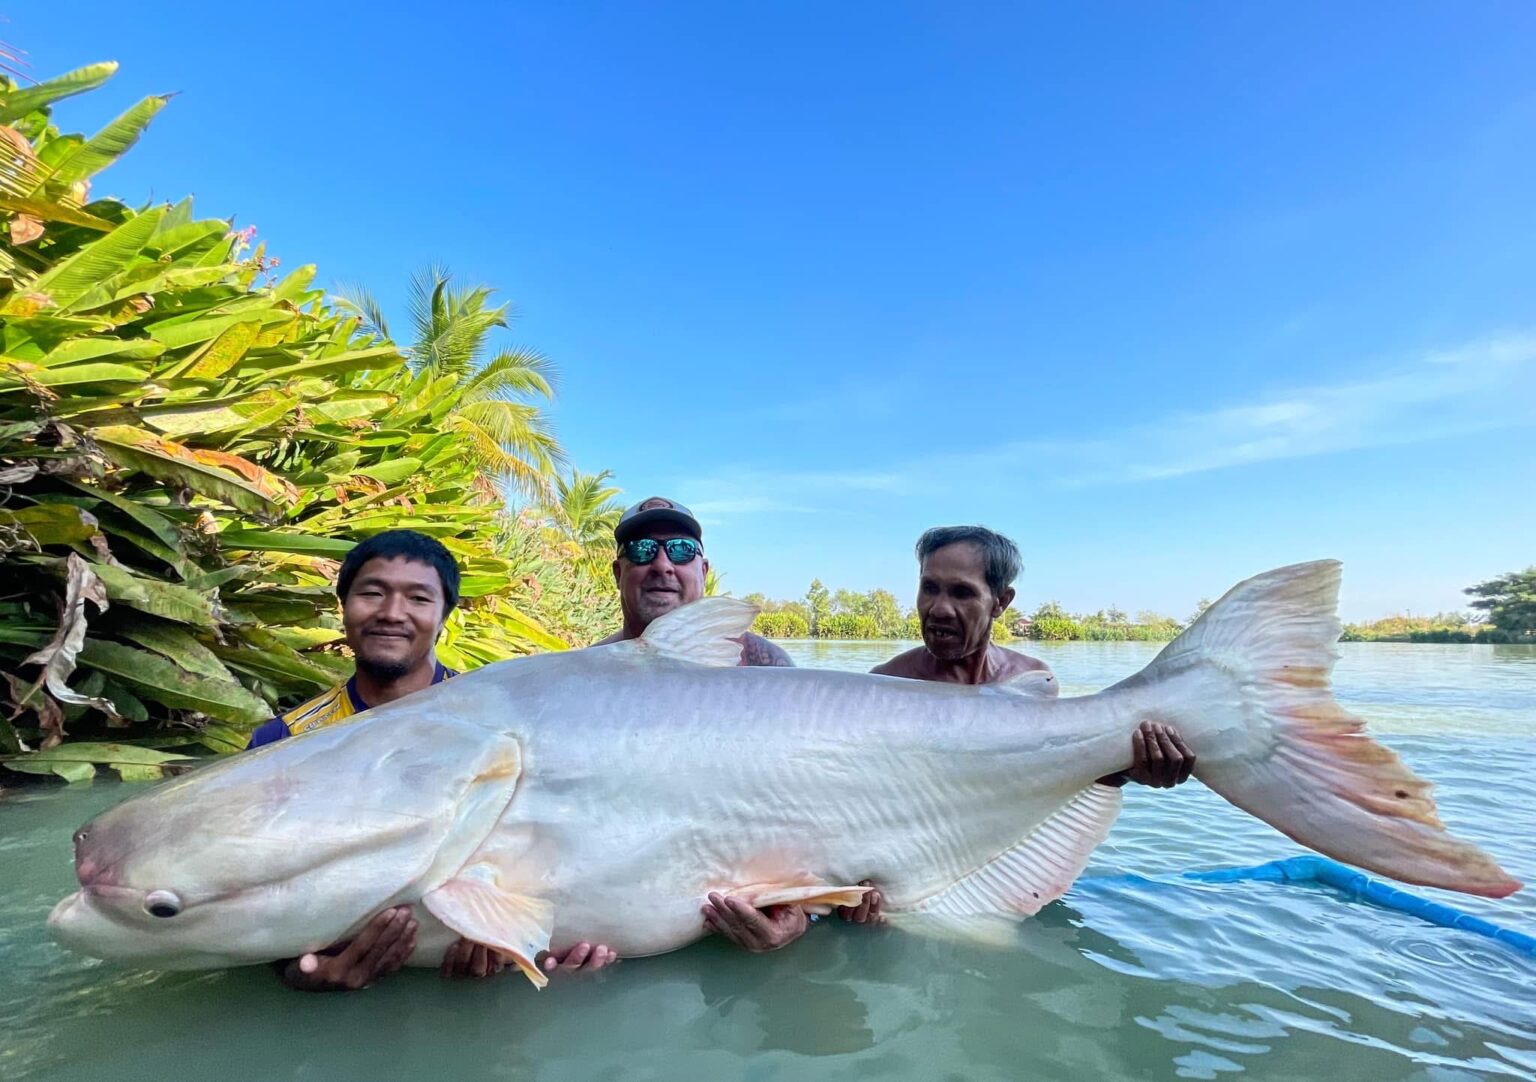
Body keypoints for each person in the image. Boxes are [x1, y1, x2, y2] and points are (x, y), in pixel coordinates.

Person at [247, 529, 614, 990]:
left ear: (444, 617)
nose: (391, 613)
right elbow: (251, 887)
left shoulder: (508, 720)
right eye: (372, 593)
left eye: (418, 598)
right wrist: (300, 972)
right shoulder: (286, 740)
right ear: (344, 605)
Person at [594, 498, 883, 946]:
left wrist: (805, 914)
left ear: (704, 569)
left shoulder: (763, 664)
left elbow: (813, 796)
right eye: (644, 551)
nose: (664, 565)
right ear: (618, 572)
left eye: (682, 551)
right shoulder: (588, 678)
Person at [873, 525, 1196, 790]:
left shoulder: (1029, 683)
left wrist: (1132, 768)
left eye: (961, 592)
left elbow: (1050, 779)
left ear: (1001, 602)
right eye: (930, 588)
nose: (940, 608)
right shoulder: (884, 685)